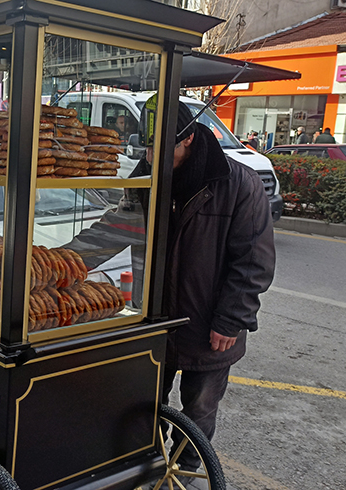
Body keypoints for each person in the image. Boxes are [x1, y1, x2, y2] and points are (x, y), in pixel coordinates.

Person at [66, 101, 275, 481]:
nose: (149, 157)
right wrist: (62, 264)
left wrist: (230, 321)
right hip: (153, 321)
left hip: (209, 326)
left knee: (198, 414)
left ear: (190, 139)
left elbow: (253, 263)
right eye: (145, 148)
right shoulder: (148, 177)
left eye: (160, 149)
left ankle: (185, 476)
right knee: (143, 405)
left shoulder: (237, 184)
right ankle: (147, 471)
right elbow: (113, 230)